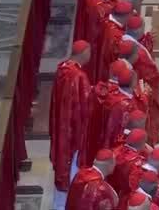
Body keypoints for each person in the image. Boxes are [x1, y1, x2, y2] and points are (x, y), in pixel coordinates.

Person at [50, 40, 93, 209]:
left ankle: (59, 204)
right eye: (89, 52)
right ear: (84, 53)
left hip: (62, 125)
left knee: (62, 167)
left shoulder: (62, 69)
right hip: (74, 132)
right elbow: (86, 105)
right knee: (72, 171)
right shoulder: (78, 76)